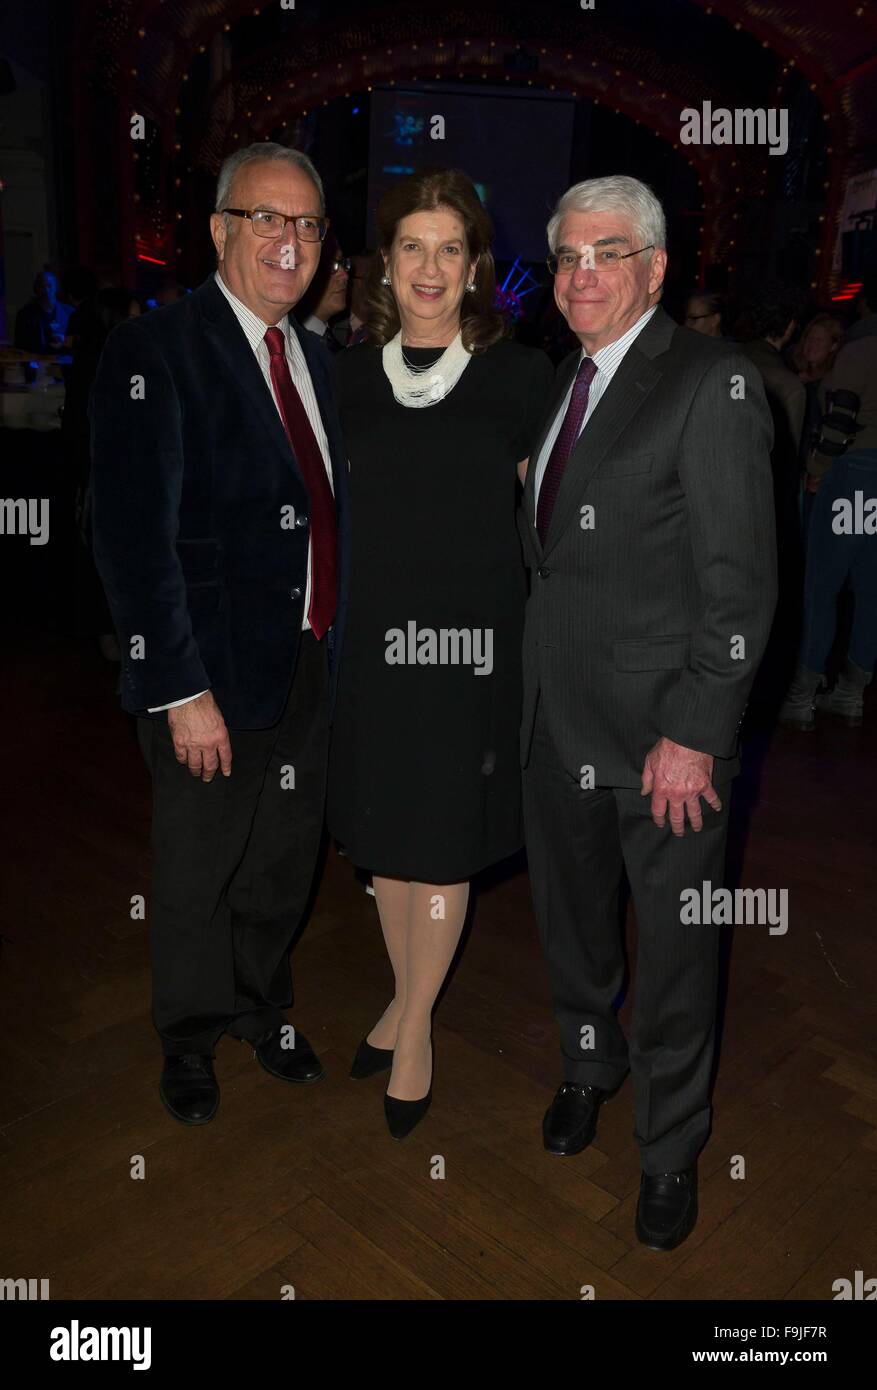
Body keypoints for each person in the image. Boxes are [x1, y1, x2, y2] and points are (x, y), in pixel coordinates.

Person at [520, 176, 776, 1251]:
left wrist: (696, 734)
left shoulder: (710, 380)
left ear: (655, 267)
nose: (582, 274)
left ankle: (670, 1148)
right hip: (556, 726)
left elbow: (740, 583)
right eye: (568, 255)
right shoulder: (562, 379)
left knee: (675, 957)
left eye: (606, 253)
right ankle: (589, 1062)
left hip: (664, 744)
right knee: (575, 933)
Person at [90, 142, 350, 1124]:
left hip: (307, 663)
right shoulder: (155, 351)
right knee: (198, 865)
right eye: (266, 219)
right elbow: (125, 537)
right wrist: (177, 688)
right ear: (217, 231)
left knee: (283, 857)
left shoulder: (315, 360)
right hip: (206, 677)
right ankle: (189, 1035)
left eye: (309, 225)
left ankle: (258, 1004)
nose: (290, 243)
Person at [327, 168, 553, 1139]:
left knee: (443, 839)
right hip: (377, 643)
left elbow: (558, 514)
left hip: (469, 649)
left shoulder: (517, 377)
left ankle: (411, 1026)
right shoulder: (345, 374)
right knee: (387, 843)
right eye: (412, 246)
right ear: (386, 264)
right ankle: (403, 1000)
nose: (429, 266)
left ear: (473, 267)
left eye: (448, 248)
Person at [779, 272, 877, 729]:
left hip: (855, 475)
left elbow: (840, 420)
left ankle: (801, 698)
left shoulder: (859, 350)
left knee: (822, 586)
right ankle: (852, 693)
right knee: (871, 588)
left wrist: (817, 473)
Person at [296, 232, 350, 349]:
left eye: (342, 263)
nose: (345, 275)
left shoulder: (334, 343)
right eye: (331, 265)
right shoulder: (293, 345)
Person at [14, 270, 72, 353]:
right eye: (42, 286)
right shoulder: (25, 315)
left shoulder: (69, 312)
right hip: (36, 361)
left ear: (56, 288)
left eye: (49, 286)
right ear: (36, 289)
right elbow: (20, 346)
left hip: (63, 361)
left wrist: (64, 340)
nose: (46, 290)